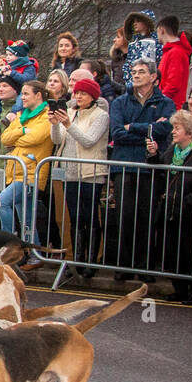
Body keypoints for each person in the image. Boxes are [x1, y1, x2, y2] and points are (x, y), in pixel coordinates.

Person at [107, 59, 175, 282]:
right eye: (133, 72)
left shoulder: (165, 102)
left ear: (154, 77)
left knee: (146, 218)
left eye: (141, 72)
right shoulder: (120, 102)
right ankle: (123, 266)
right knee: (124, 216)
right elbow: (117, 133)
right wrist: (149, 130)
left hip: (150, 167)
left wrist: (133, 127)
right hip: (124, 165)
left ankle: (144, 266)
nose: (135, 75)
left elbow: (166, 130)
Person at [52, 77, 110, 278]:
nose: (78, 97)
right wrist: (54, 124)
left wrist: (68, 124)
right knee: (75, 216)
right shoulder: (70, 112)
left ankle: (91, 262)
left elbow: (88, 141)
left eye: (83, 93)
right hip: (70, 172)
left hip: (90, 172)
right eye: (76, 93)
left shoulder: (101, 115)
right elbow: (57, 139)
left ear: (93, 96)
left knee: (91, 216)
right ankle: (77, 258)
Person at [146, 108, 192, 302]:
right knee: (173, 250)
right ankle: (179, 289)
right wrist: (153, 154)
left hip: (190, 210)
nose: (173, 132)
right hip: (170, 208)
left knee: (191, 251)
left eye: (177, 128)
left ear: (190, 131)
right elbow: (161, 168)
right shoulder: (172, 149)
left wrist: (189, 202)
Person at [0, 80, 54, 234]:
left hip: (30, 175)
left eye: (26, 94)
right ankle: (34, 255)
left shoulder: (46, 116)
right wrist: (22, 131)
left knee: (2, 202)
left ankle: (7, 243)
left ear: (38, 95)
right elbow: (5, 138)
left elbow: (35, 138)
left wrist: (16, 138)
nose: (22, 97)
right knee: (27, 221)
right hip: (16, 172)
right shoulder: (21, 115)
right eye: (22, 94)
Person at [155, 15, 192, 111]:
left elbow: (173, 84)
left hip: (171, 107)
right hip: (168, 105)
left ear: (161, 30)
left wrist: (158, 100)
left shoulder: (175, 52)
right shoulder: (171, 51)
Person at [121, 11, 159, 88]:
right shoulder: (133, 44)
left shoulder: (155, 43)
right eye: (133, 22)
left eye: (138, 21)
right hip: (132, 85)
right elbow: (128, 64)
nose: (135, 24)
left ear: (147, 23)